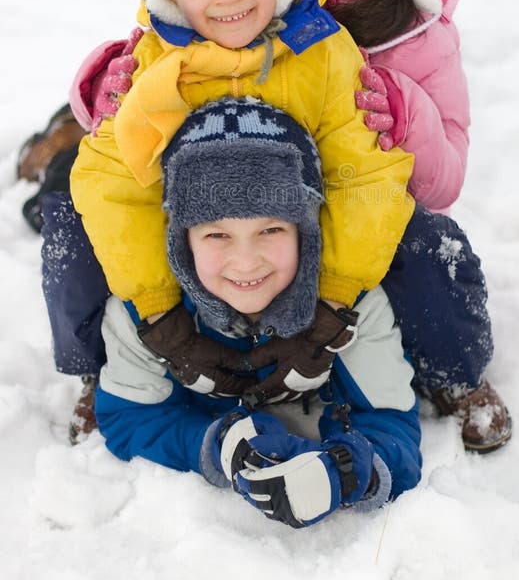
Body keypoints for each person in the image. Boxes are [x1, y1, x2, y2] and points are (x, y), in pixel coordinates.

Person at [43, 0, 414, 440]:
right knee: (72, 230)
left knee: (409, 241)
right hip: (193, 247)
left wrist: (332, 303)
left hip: (285, 242)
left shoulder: (322, 54)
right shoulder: (152, 70)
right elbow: (116, 189)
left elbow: (365, 177)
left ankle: (429, 370)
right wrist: (158, 315)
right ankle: (95, 369)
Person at [289, 0, 511, 450]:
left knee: (428, 247)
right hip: (261, 200)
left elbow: (446, 181)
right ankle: (128, 376)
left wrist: (409, 114)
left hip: (367, 210)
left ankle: (456, 376)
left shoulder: (423, 35)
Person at [95, 96, 422, 528]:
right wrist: (215, 444)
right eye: (217, 235)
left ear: (305, 230)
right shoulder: (146, 314)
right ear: (181, 241)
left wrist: (351, 472)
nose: (246, 262)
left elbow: (390, 420)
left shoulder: (355, 305)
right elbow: (130, 417)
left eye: (270, 229)